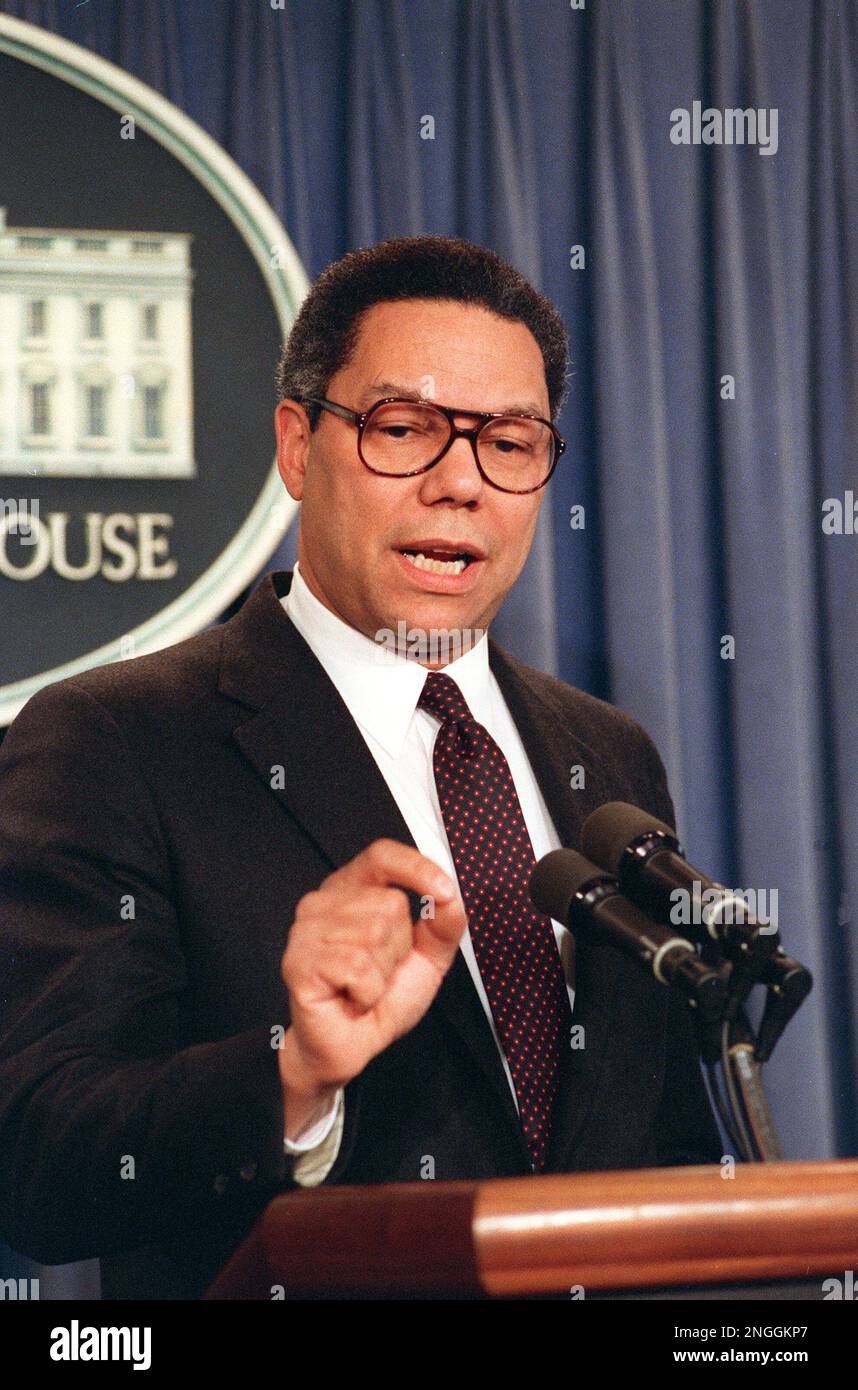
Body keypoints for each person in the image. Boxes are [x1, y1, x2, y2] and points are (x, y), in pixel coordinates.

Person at [0, 235, 721, 1301]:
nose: (459, 483)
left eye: (510, 444)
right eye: (403, 430)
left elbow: (658, 1138)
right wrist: (294, 1075)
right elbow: (39, 1162)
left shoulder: (607, 755)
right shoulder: (113, 739)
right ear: (298, 447)